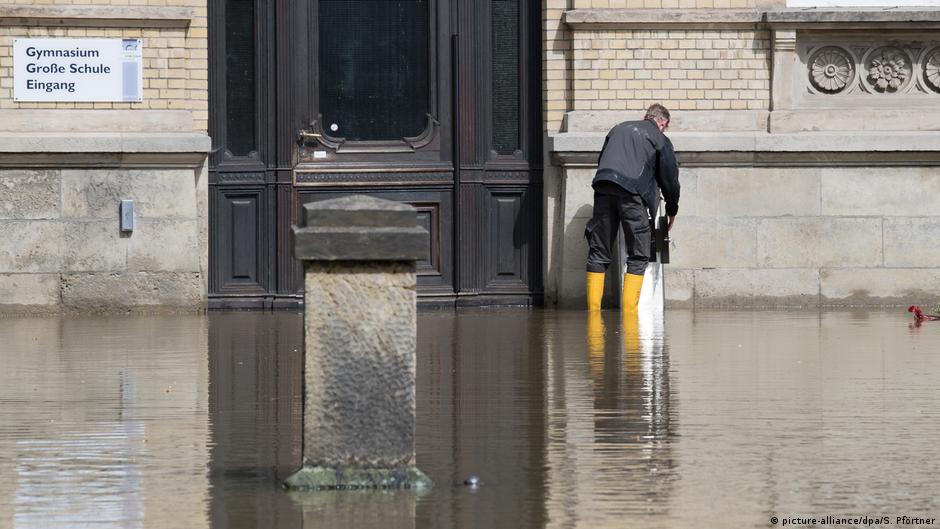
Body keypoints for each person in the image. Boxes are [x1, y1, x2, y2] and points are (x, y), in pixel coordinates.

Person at [584, 103, 680, 312]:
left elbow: (602, 161)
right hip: (632, 195)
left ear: (646, 116)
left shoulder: (617, 129)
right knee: (639, 254)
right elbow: (670, 179)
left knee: (598, 251)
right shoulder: (659, 138)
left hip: (604, 187)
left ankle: (592, 317)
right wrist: (672, 210)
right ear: (663, 123)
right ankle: (629, 320)